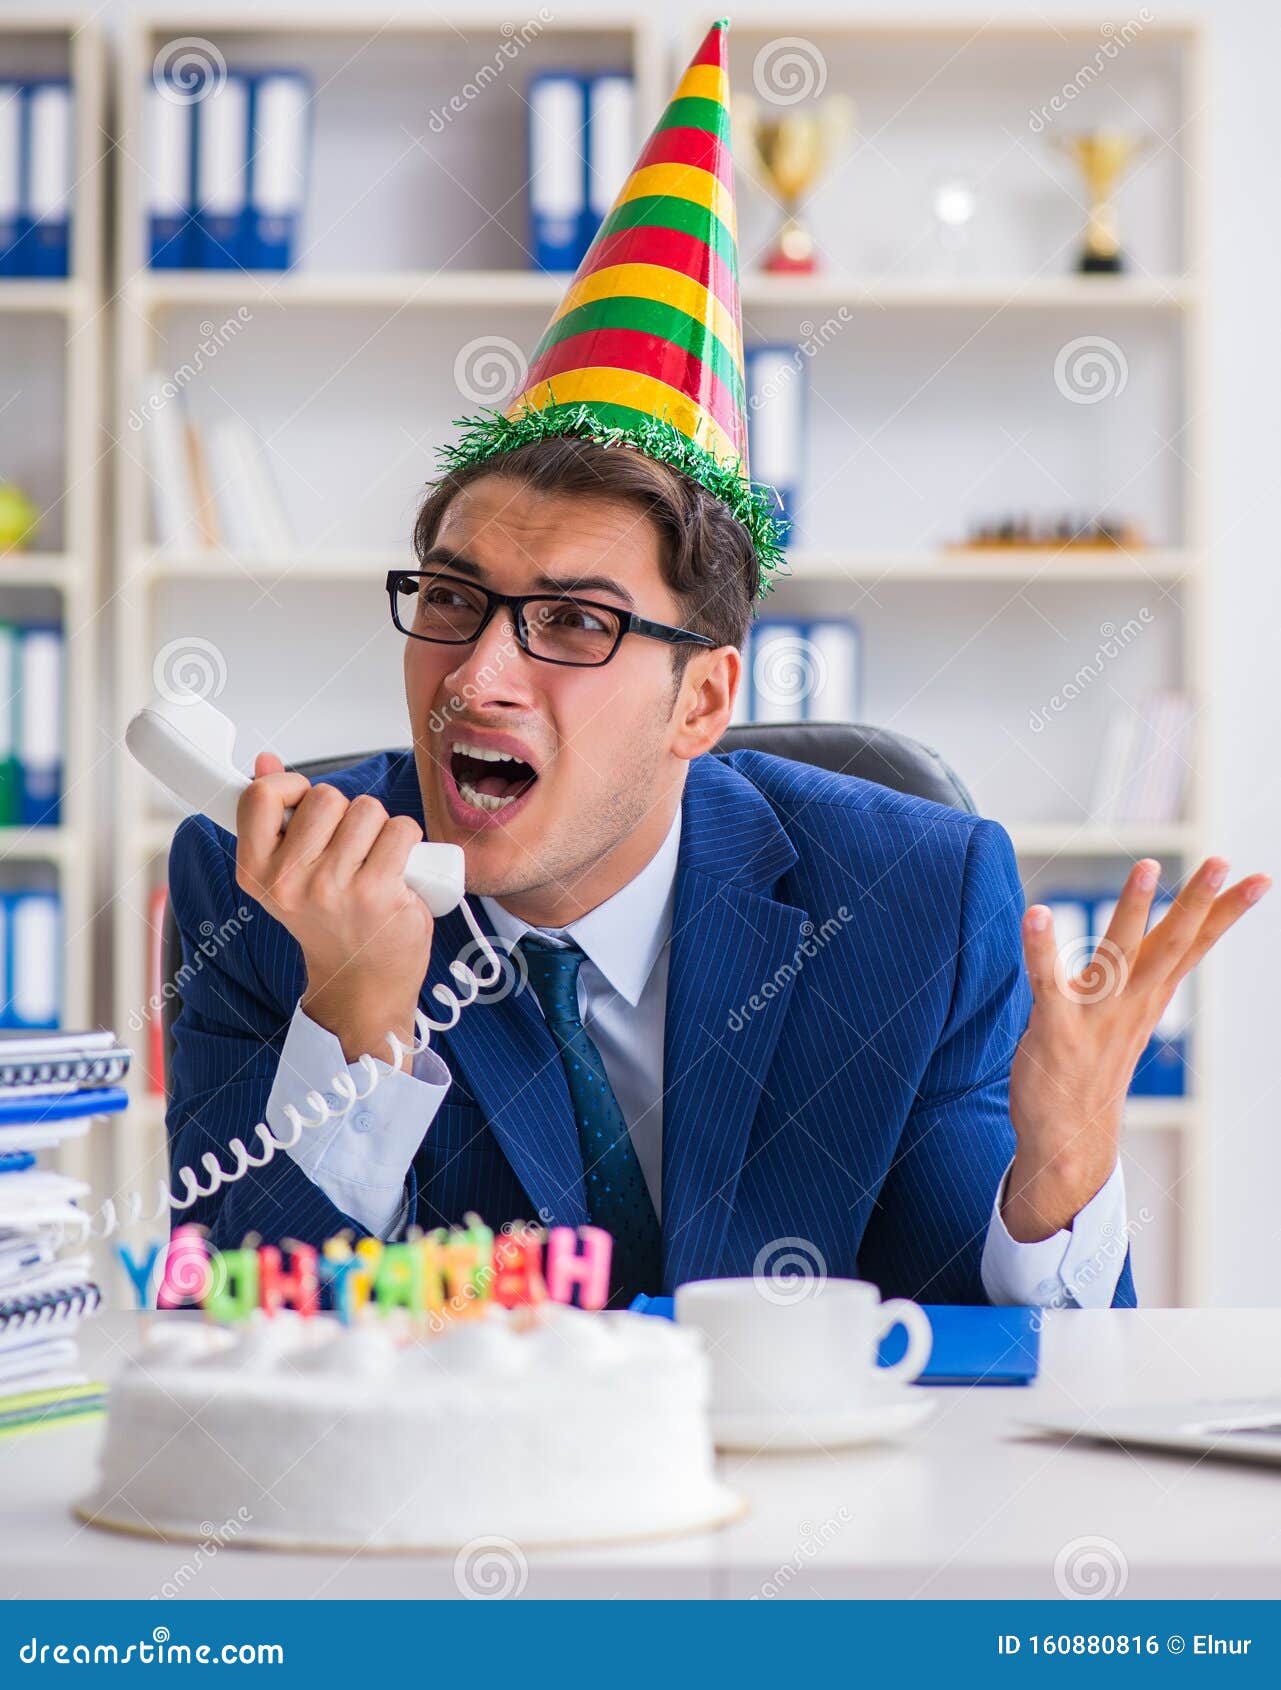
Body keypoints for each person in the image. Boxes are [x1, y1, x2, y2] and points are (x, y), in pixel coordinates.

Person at [165, 23, 1268, 1308]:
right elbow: (221, 1357)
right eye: (457, 599)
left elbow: (991, 1365)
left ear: (705, 697)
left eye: (574, 622)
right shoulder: (261, 898)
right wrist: (356, 1019)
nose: (477, 676)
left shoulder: (915, 898)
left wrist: (1059, 1183)